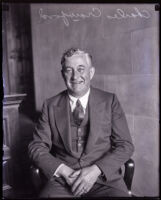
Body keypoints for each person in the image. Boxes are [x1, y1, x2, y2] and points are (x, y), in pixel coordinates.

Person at [28, 48, 134, 198]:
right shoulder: (50, 105)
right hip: (63, 181)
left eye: (80, 69)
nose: (75, 76)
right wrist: (64, 171)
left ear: (91, 72)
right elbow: (36, 147)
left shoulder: (109, 101)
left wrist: (96, 170)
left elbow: (125, 145)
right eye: (69, 70)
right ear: (62, 74)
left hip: (104, 179)